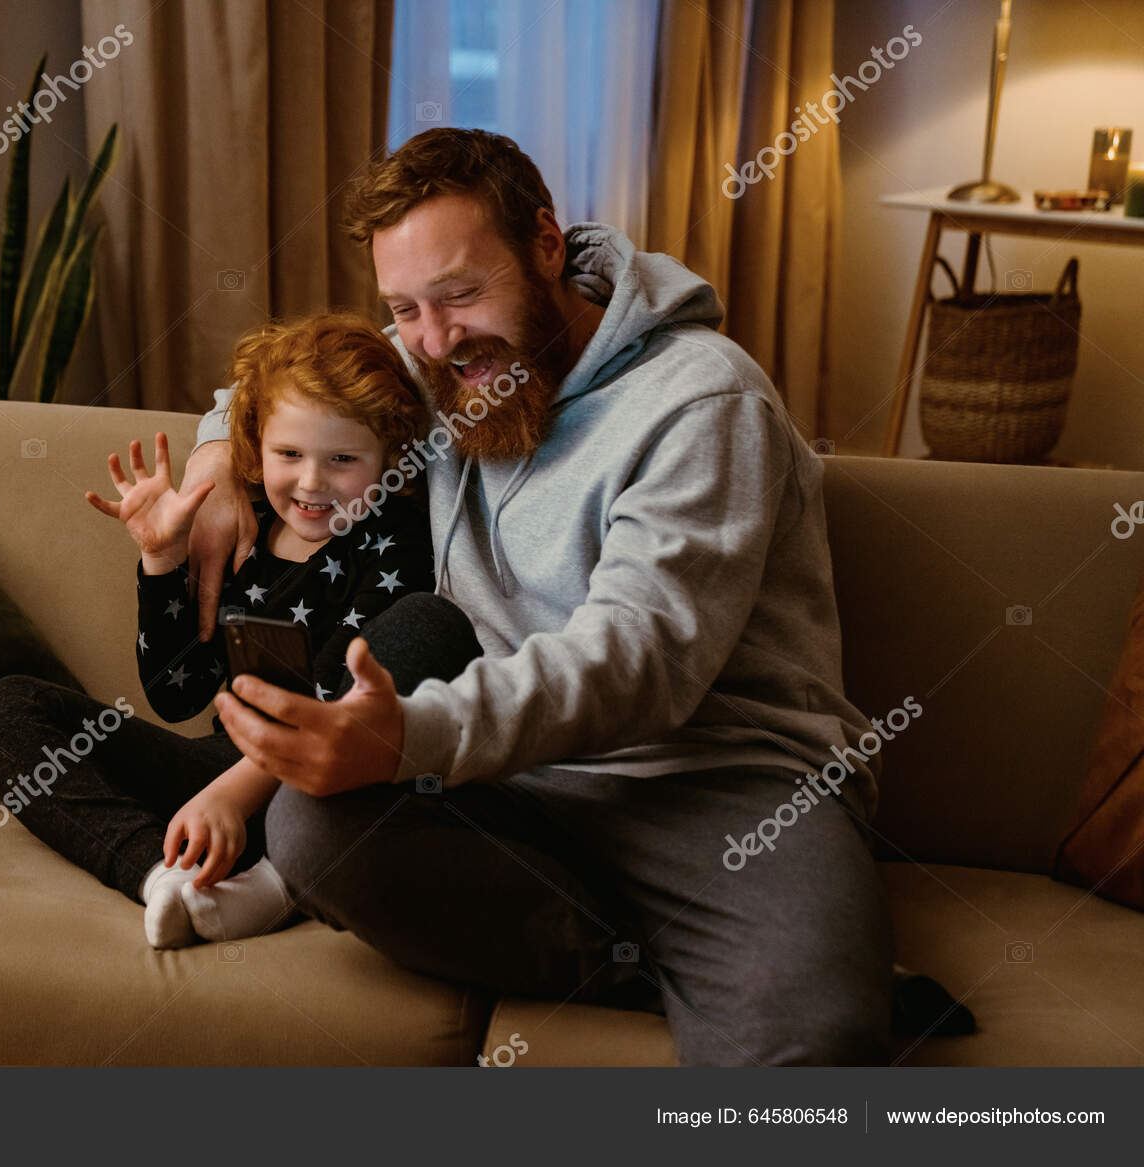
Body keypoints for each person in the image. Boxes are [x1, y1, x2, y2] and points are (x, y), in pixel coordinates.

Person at [175, 128, 899, 1065]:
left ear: (547, 246)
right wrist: (215, 462)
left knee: (819, 1043)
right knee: (310, 825)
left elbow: (638, 662)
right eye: (405, 308)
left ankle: (737, 954)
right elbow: (272, 388)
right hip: (513, 785)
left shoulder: (705, 401)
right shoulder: (438, 361)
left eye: (461, 294)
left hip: (721, 784)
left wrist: (406, 737)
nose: (433, 340)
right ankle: (657, 961)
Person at [0, 313, 438, 950]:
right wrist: (162, 562)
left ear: (392, 458)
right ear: (255, 445)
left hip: (330, 786)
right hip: (216, 776)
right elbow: (176, 694)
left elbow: (340, 707)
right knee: (8, 707)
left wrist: (235, 796)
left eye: (344, 460)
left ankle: (277, 884)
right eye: (289, 454)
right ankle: (160, 877)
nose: (310, 483)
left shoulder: (394, 542)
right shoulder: (241, 527)